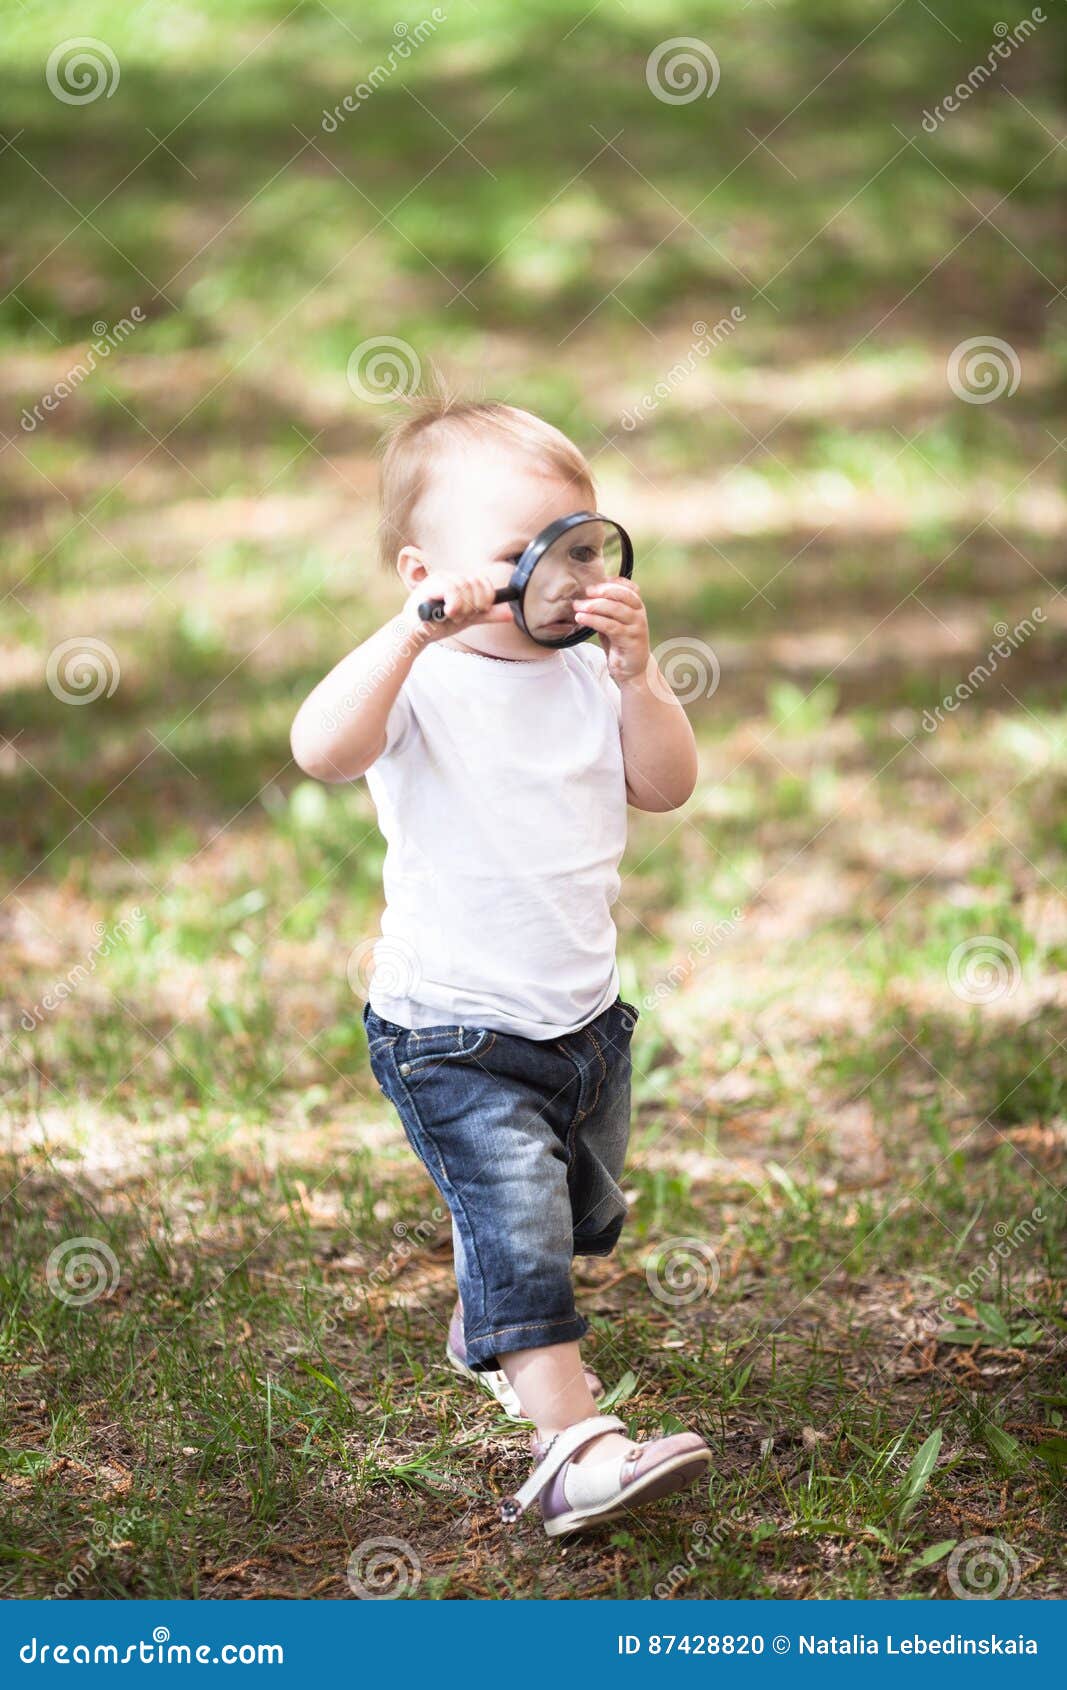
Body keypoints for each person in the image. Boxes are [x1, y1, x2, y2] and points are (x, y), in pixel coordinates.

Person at [291, 394, 710, 1535]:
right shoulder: (421, 680)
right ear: (426, 571)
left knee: (574, 1218)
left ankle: (491, 1317)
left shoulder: (586, 672)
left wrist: (639, 676)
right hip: (452, 1031)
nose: (557, 577)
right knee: (524, 1233)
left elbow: (664, 786)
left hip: (580, 1023)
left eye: (577, 546)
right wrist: (412, 630)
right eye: (515, 558)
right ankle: (573, 1453)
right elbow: (319, 748)